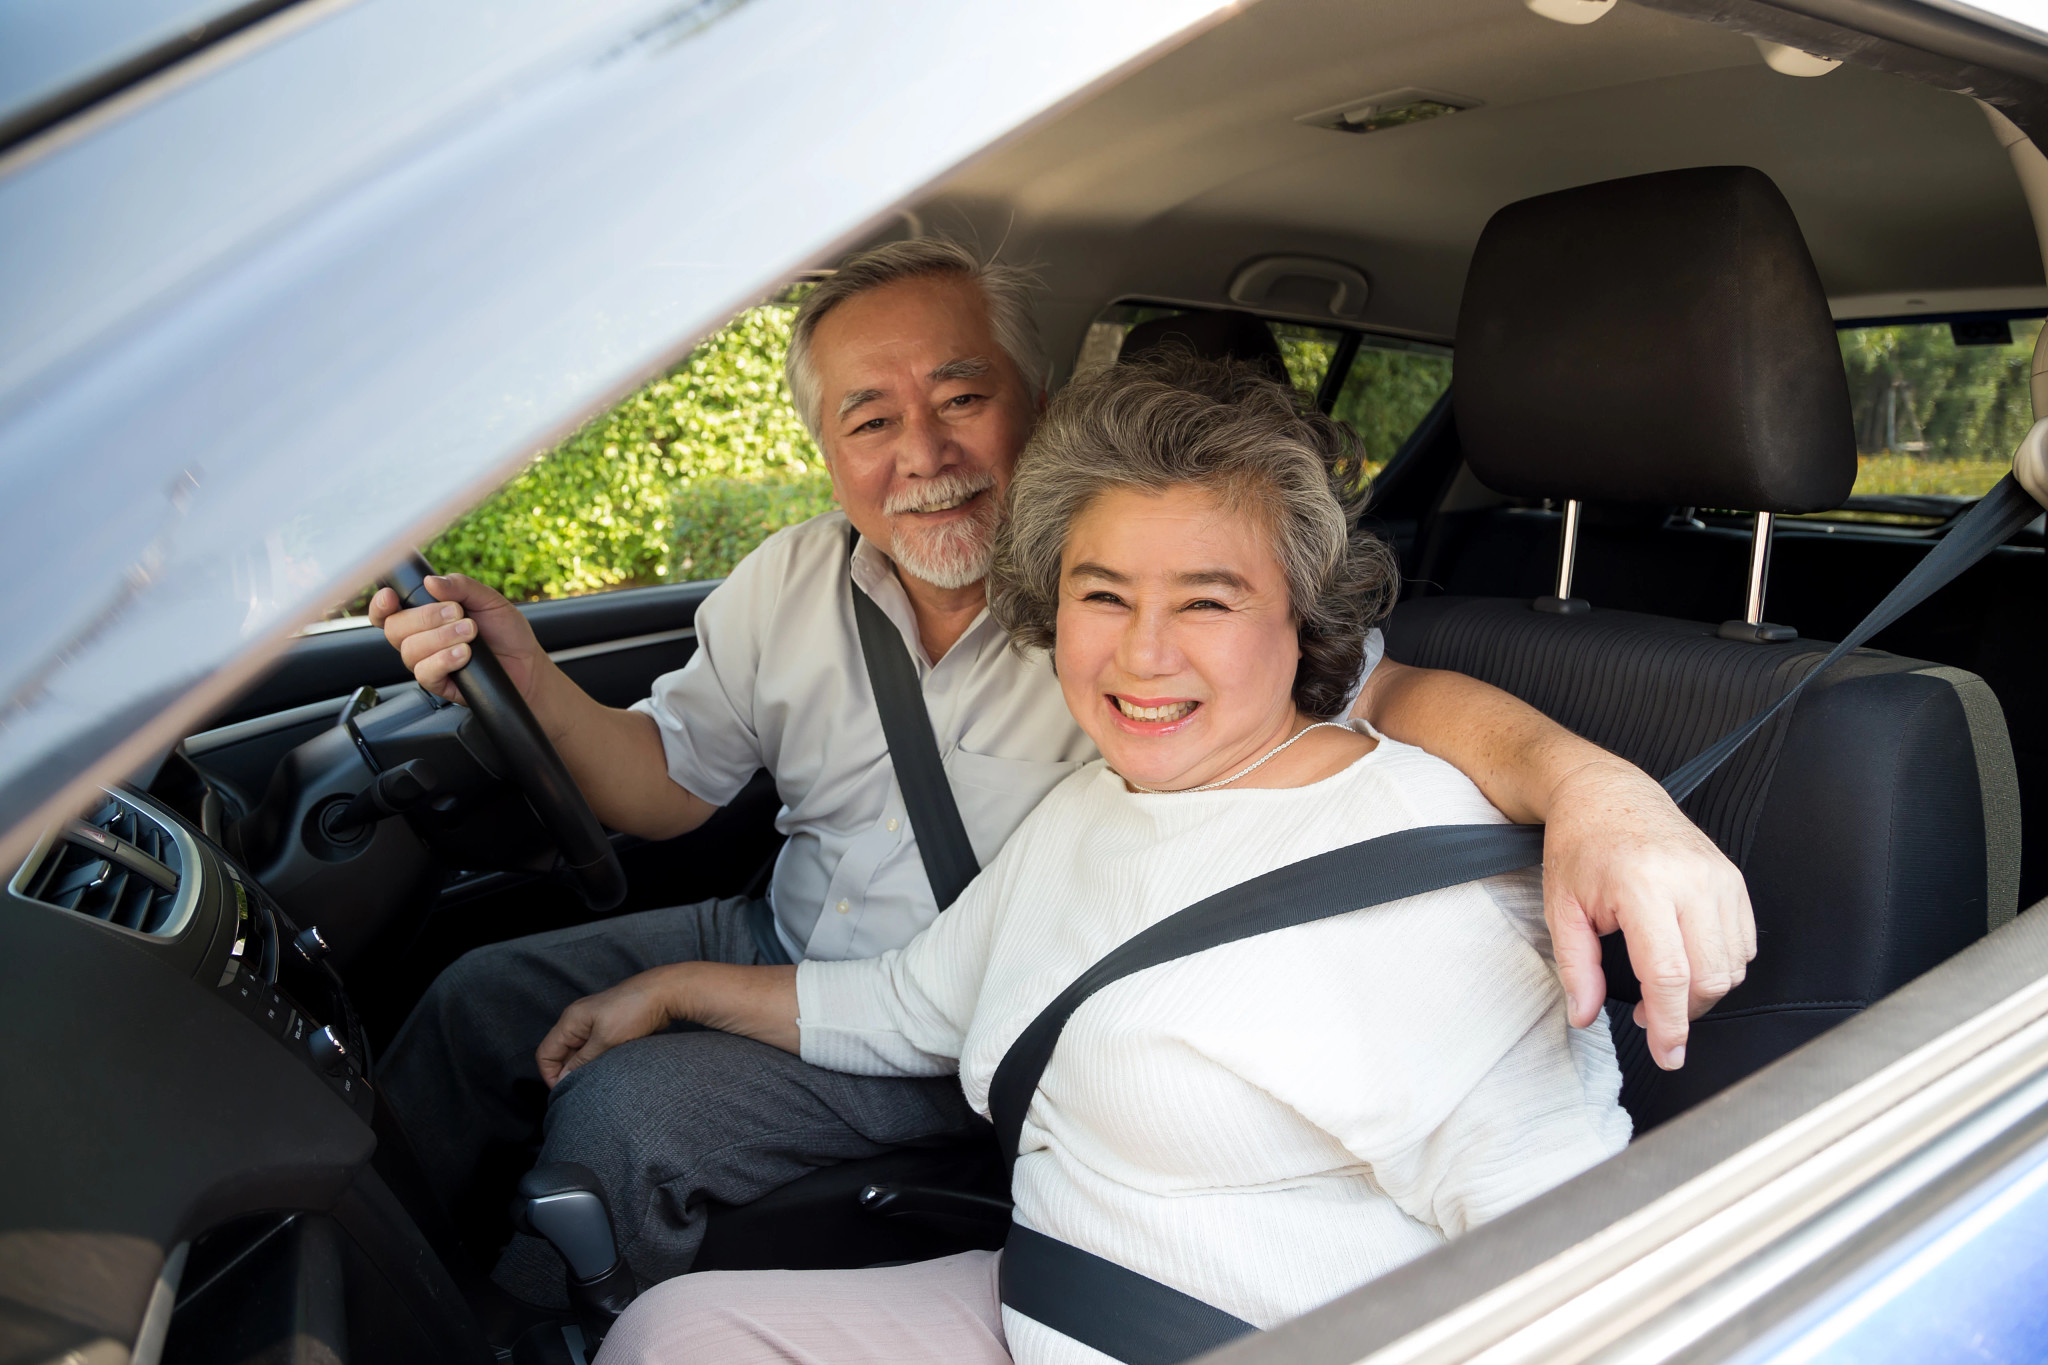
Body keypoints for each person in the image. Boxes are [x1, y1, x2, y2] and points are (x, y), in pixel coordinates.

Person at [368, 238, 1746, 1304]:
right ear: (823, 449)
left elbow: (1391, 696)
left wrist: (1596, 792)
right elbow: (666, 785)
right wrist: (531, 678)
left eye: (962, 396)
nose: (925, 455)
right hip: (793, 938)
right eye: (869, 420)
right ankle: (392, 1289)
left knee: (621, 1112)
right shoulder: (788, 580)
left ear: (1034, 401)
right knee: (477, 1000)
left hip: (990, 1008)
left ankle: (542, 1318)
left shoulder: (1152, 607)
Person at [585, 353, 1632, 1364]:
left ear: (1302, 617)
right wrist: (682, 989)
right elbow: (912, 1002)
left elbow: (1574, 1278)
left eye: (1205, 601)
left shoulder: (1418, 880)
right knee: (673, 1336)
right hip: (1035, 1303)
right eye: (1102, 595)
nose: (1141, 655)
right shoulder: (1098, 802)